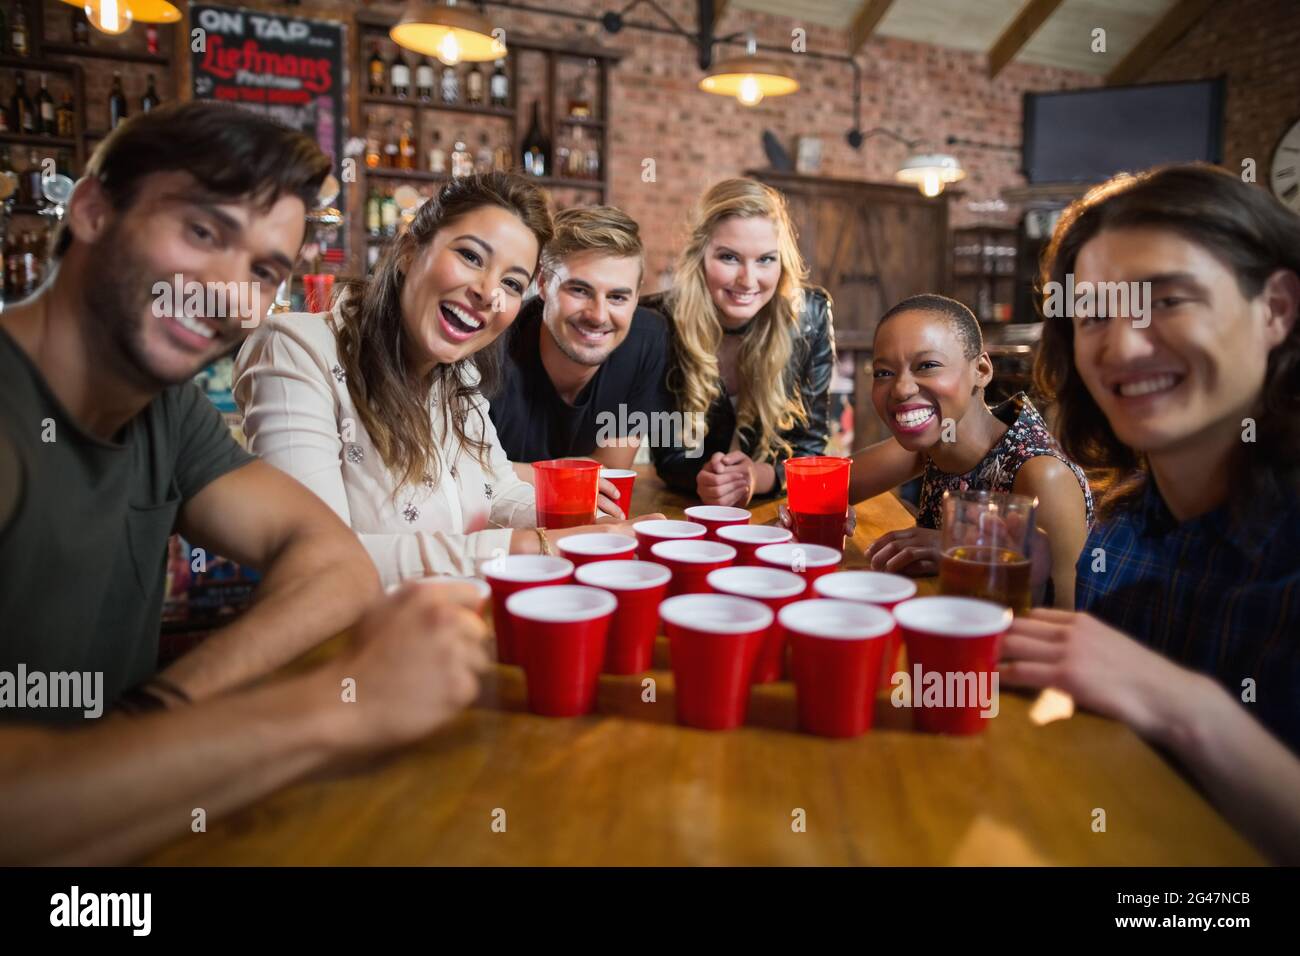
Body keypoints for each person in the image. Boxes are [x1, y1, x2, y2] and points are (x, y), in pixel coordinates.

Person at [0, 102, 490, 863]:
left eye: (264, 270)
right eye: (203, 232)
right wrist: (335, 708)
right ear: (93, 209)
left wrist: (156, 718)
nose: (229, 290)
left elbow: (334, 562)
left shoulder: (166, 411)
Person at [1004, 163, 1300, 863]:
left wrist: (1186, 708)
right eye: (1094, 315)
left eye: (1168, 300)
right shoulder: (1122, 531)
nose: (1125, 346)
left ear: (1278, 310)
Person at [235, 172, 658, 588]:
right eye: (471, 257)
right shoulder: (297, 350)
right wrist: (541, 546)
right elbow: (313, 560)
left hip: (452, 629)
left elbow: (500, 489)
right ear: (408, 249)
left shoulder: (458, 373)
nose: (488, 292)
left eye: (511, 282)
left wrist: (593, 525)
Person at [844, 294, 1092, 607]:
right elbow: (830, 485)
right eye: (883, 372)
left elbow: (1065, 622)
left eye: (928, 365)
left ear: (982, 370)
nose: (901, 388)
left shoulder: (1041, 473)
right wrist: (817, 509)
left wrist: (959, 548)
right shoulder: (938, 439)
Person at [644, 178, 833, 506]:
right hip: (683, 512)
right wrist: (708, 478)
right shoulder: (659, 322)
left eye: (765, 259)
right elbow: (670, 456)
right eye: (729, 257)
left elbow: (810, 452)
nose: (748, 280)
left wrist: (758, 477)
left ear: (782, 261)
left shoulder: (810, 315)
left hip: (772, 514)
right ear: (700, 255)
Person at [488, 205, 672, 516]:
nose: (598, 315)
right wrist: (580, 473)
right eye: (579, 290)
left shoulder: (648, 338)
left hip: (582, 530)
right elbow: (466, 476)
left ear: (637, 296)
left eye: (617, 297)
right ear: (544, 284)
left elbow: (611, 473)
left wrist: (511, 472)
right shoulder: (493, 343)